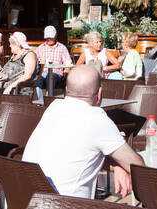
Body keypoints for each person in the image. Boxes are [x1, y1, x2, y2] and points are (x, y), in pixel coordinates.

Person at [22, 64, 143, 198]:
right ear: (99, 94)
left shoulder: (54, 107)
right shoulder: (97, 119)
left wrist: (116, 164)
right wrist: (120, 163)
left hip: (27, 203)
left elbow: (77, 154)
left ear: (67, 89)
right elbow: (137, 167)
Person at [34, 25, 73, 93]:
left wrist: (66, 72)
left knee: (50, 77)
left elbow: (68, 62)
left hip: (56, 73)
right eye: (47, 37)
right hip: (43, 72)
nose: (48, 39)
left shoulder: (62, 48)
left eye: (50, 37)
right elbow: (34, 61)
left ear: (55, 36)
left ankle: (48, 100)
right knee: (38, 78)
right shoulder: (40, 48)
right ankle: (39, 101)